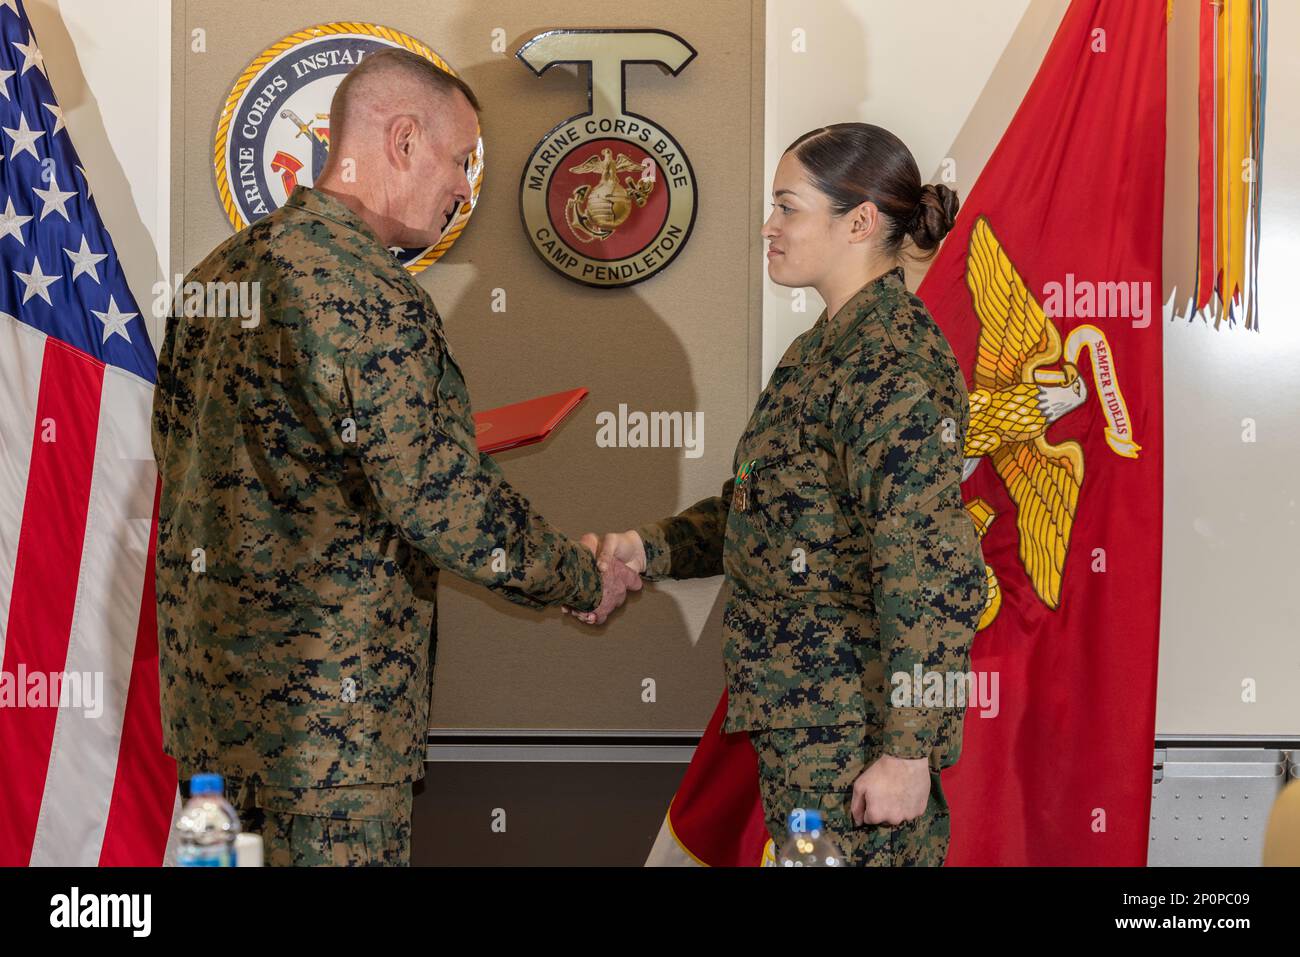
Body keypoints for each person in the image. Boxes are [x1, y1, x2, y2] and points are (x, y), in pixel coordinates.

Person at [152, 48, 640, 867]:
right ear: (404, 140)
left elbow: (183, 457)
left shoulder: (216, 274)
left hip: (213, 736)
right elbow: (440, 502)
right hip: (330, 745)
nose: (462, 188)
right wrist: (582, 577)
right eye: (459, 160)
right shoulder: (368, 292)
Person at [574, 123, 988, 866]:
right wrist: (644, 550)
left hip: (856, 739)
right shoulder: (819, 352)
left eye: (788, 207)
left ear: (858, 221)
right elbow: (758, 513)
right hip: (802, 726)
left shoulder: (893, 362)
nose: (769, 226)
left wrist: (908, 752)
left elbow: (930, 570)